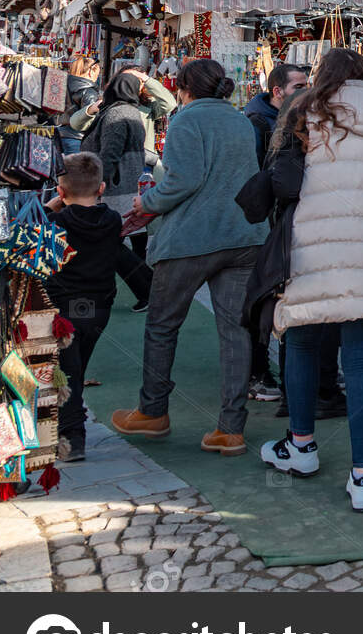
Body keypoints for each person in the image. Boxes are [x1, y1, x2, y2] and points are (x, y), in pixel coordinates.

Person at [257, 48, 363, 512]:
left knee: (304, 341)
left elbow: (285, 185)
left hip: (316, 246)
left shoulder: (306, 111)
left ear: (324, 77)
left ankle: (301, 447)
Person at [109, 58, 267, 456]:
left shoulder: (185, 120)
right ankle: (231, 428)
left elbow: (182, 180)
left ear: (183, 87)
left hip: (194, 239)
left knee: (162, 324)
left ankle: (153, 410)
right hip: (244, 235)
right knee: (236, 332)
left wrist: (146, 202)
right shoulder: (241, 120)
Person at [46, 154, 124, 463]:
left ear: (61, 192)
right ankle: (68, 431)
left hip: (65, 307)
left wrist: (52, 205)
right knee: (75, 370)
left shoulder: (58, 221)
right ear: (102, 187)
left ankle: (72, 438)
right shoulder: (113, 220)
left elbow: (36, 222)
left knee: (68, 372)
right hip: (99, 307)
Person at [243, 63, 309, 403]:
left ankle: (293, 374)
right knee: (264, 301)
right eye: (298, 85)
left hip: (283, 226)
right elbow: (259, 176)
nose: (305, 90)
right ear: (277, 91)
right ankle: (258, 373)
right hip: (267, 228)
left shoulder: (294, 118)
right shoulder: (257, 122)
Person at [80, 71, 155, 314]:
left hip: (115, 186)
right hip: (128, 182)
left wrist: (97, 183)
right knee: (120, 244)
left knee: (110, 243)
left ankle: (146, 289)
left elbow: (110, 153)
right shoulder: (131, 112)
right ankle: (146, 289)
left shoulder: (117, 113)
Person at [244, 63, 308, 167]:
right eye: (298, 87)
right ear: (277, 92)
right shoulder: (258, 124)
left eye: (307, 86)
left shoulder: (304, 117)